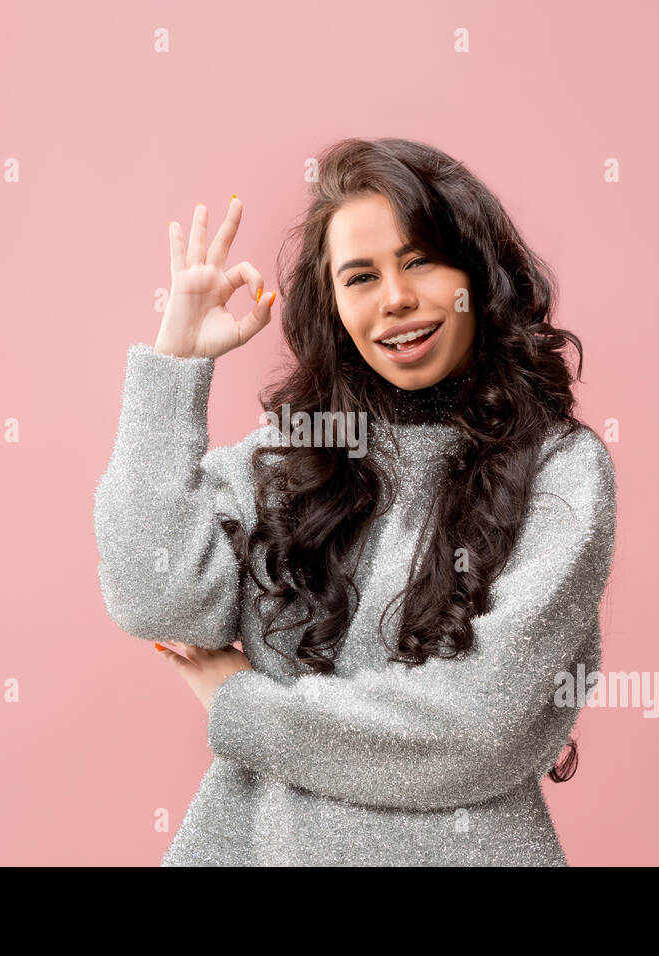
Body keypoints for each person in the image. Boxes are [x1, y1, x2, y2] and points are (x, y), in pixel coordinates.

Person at [93, 137, 617, 866]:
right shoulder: (295, 452)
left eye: (419, 261)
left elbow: (473, 729)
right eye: (361, 276)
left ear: (477, 271)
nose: (395, 298)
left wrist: (246, 711)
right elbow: (156, 597)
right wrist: (176, 361)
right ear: (335, 306)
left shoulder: (562, 471)